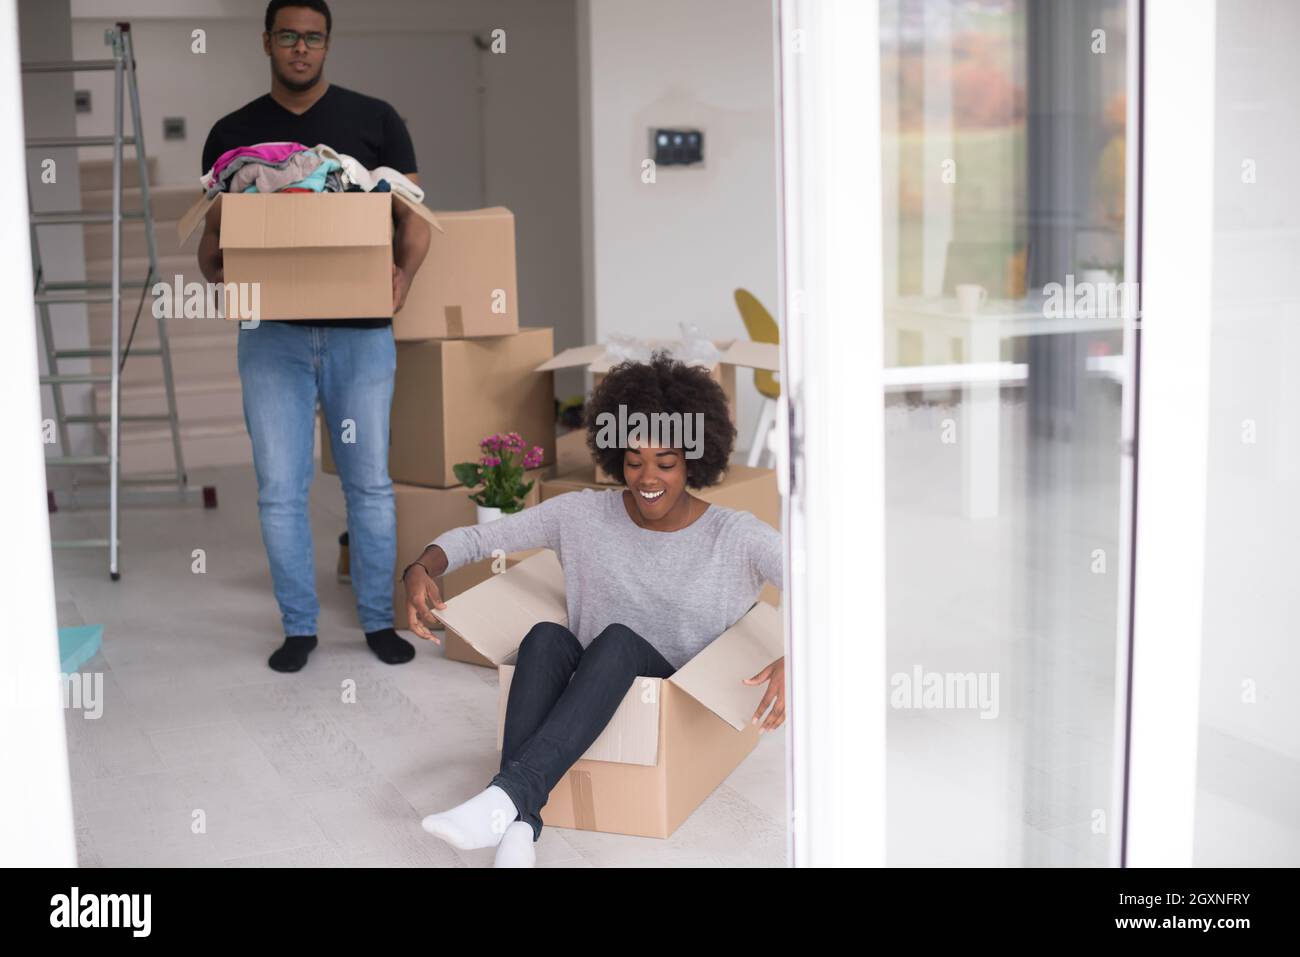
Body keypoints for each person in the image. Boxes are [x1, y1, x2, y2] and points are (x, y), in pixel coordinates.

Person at [402, 353, 786, 867]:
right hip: (592, 679)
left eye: (666, 462)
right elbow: (479, 537)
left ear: (694, 459)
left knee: (617, 641)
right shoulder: (581, 514)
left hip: (675, 692)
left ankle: (505, 799)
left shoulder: (734, 536)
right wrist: (422, 566)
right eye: (633, 460)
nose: (647, 477)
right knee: (542, 637)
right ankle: (518, 828)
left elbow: (825, 585)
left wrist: (797, 655)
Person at [196, 0, 431, 672]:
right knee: (278, 487)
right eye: (290, 37)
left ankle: (379, 621)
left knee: (371, 485)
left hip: (361, 335)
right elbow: (213, 241)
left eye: (314, 38)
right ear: (268, 40)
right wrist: (222, 270)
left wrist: (403, 278)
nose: (302, 49)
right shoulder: (233, 132)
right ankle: (299, 627)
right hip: (272, 337)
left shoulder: (375, 120)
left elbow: (414, 221)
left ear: (328, 43)